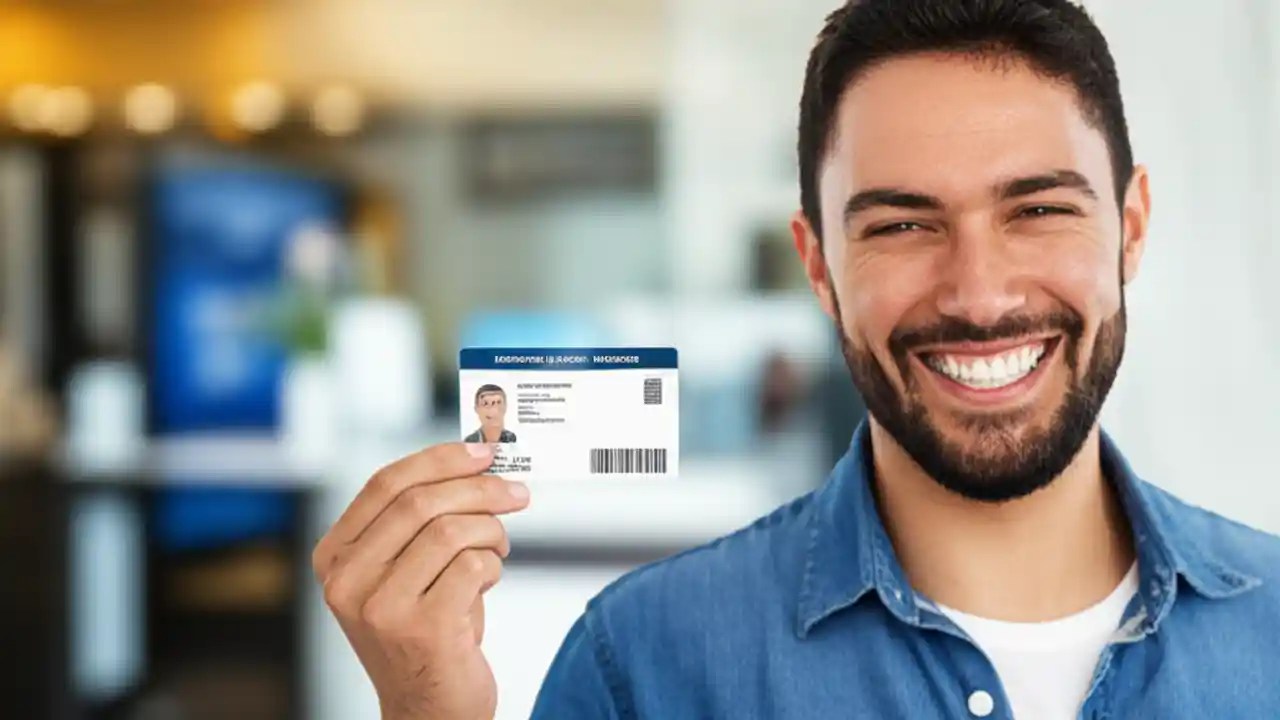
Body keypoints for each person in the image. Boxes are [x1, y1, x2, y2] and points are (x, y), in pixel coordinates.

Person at [310, 1, 1280, 718]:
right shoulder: (642, 664)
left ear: (1131, 226)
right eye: (902, 223)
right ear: (817, 264)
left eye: (1036, 209)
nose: (979, 294)